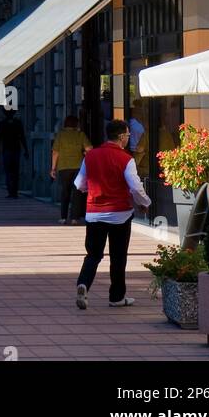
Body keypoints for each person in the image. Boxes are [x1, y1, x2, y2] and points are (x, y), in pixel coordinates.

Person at [74, 119, 152, 310]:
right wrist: (145, 203)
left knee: (93, 254)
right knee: (118, 257)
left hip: (94, 213)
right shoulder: (126, 159)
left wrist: (89, 190)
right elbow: (135, 187)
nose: (128, 138)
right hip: (120, 214)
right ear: (120, 137)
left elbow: (79, 183)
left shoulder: (91, 156)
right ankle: (116, 297)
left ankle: (83, 284)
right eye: (127, 135)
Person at [50, 115, 91, 224]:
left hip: (63, 167)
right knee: (77, 193)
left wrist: (53, 168)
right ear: (76, 124)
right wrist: (84, 153)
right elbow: (89, 149)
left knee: (65, 192)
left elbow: (55, 152)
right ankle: (74, 218)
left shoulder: (60, 135)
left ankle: (63, 217)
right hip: (78, 167)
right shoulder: (80, 135)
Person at [0, 107, 29, 198]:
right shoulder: (17, 123)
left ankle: (11, 191)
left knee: (8, 171)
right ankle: (14, 191)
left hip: (7, 150)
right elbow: (22, 137)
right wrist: (26, 150)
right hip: (16, 150)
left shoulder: (2, 124)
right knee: (15, 171)